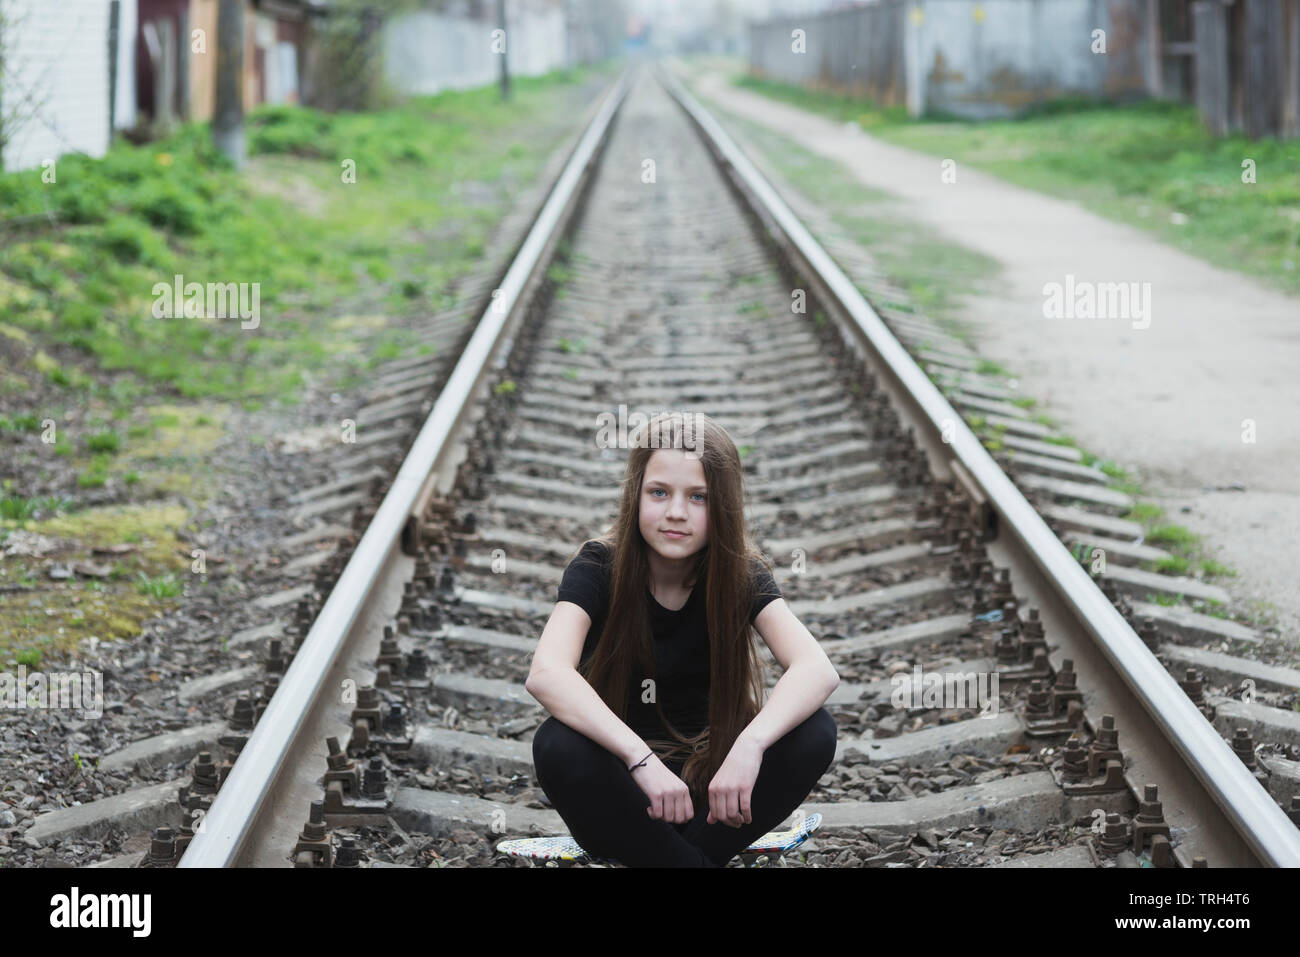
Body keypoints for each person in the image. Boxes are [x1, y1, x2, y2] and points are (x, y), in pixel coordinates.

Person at [526, 411, 840, 867]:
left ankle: (669, 858)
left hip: (714, 789)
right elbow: (547, 673)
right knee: (557, 743)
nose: (676, 512)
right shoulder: (598, 567)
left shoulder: (739, 573)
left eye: (699, 497)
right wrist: (641, 761)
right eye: (659, 493)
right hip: (624, 792)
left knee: (816, 730)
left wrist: (748, 748)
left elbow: (816, 669)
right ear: (635, 495)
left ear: (724, 507)